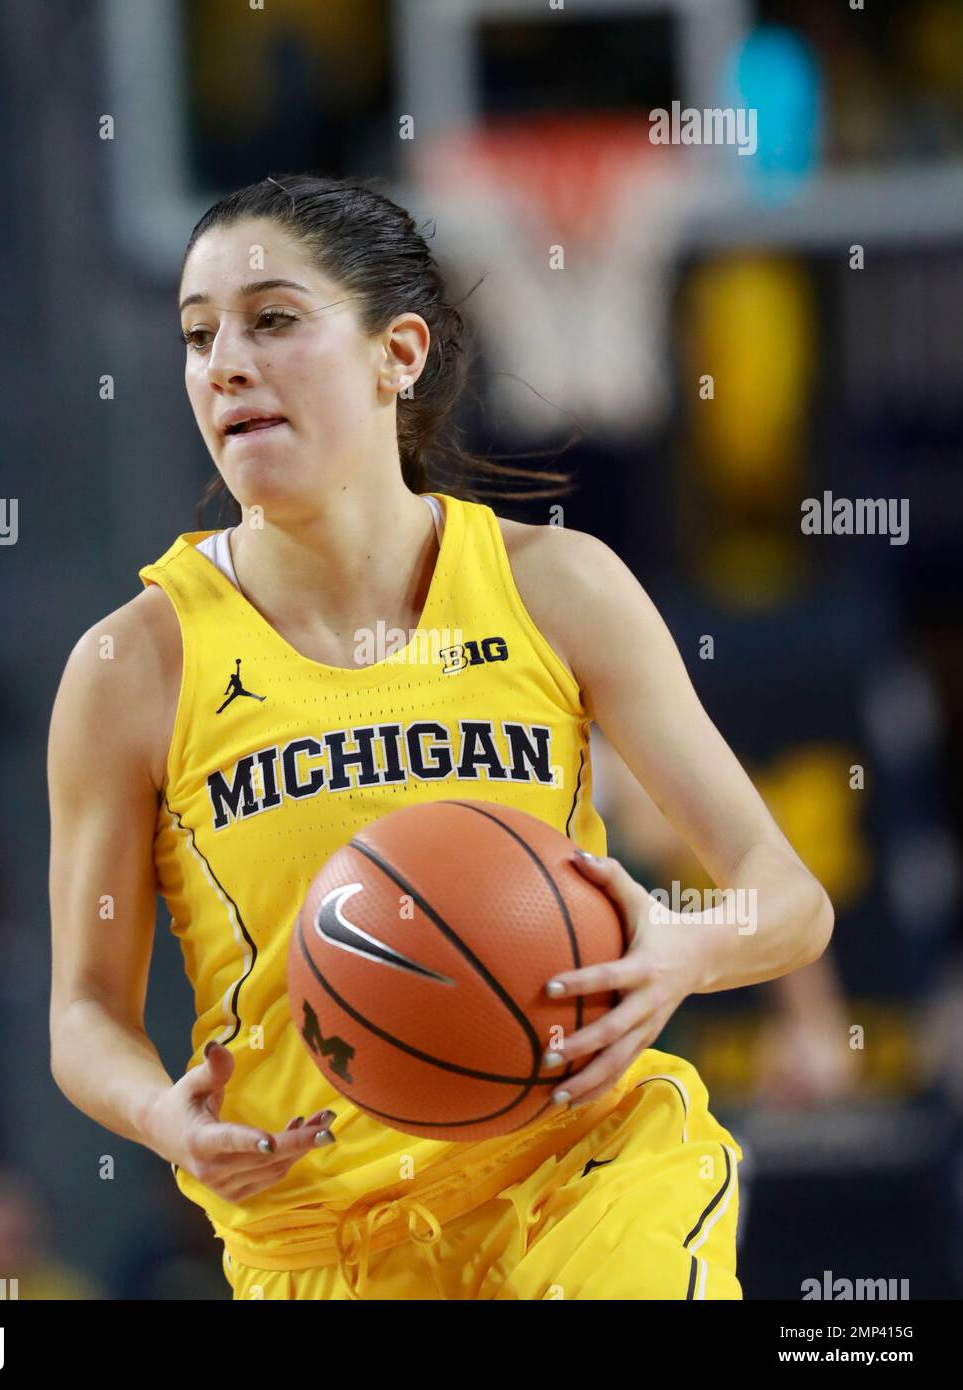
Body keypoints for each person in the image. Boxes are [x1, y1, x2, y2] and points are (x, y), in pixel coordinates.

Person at [48, 173, 834, 1301]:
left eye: (273, 319)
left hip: (581, 1166)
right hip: (322, 1237)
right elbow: (83, 1014)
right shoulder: (134, 664)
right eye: (196, 334)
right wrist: (156, 1114)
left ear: (397, 353)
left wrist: (688, 950)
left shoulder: (556, 586)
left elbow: (788, 896)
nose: (224, 363)